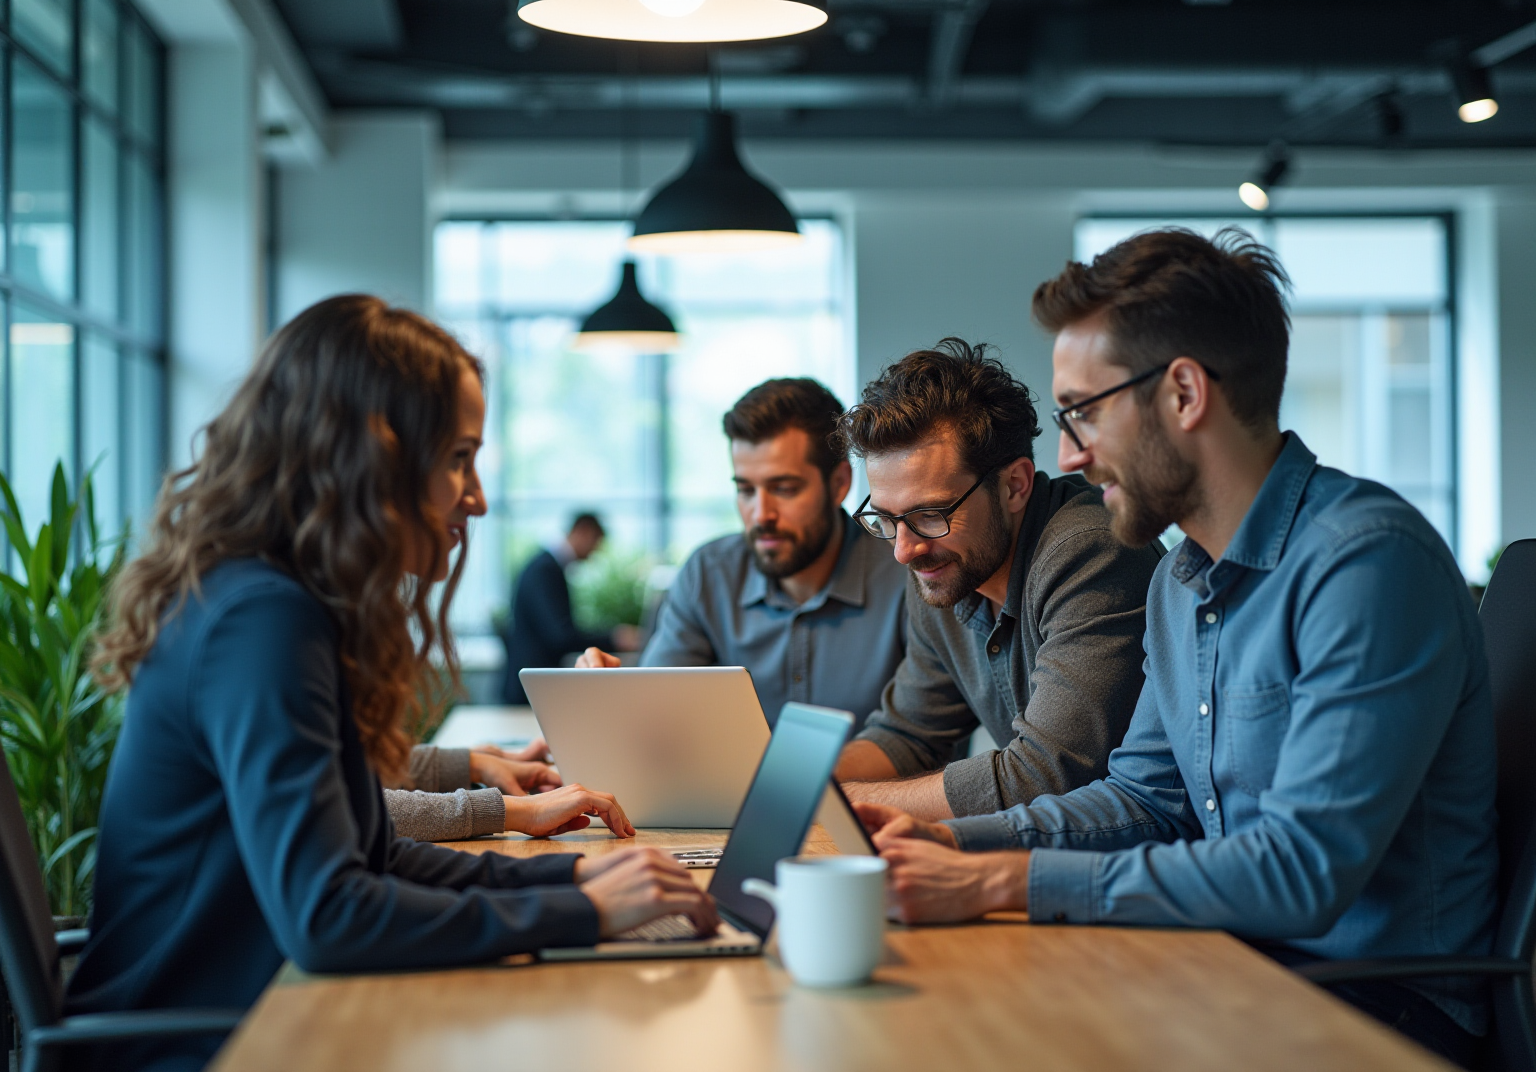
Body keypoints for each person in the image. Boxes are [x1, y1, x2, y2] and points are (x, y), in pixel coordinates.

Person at [855, 229, 1497, 1068]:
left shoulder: (1366, 563)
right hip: (1232, 963)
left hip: (1377, 1005)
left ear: (1185, 394)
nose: (1070, 455)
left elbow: (1300, 873)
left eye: (1085, 412)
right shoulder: (1180, 581)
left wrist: (1004, 878)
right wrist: (960, 844)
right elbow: (1143, 802)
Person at [68, 295, 715, 1072]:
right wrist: (578, 910)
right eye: (458, 458)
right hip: (196, 1046)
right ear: (372, 457)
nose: (477, 497)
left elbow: (374, 858)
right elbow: (328, 917)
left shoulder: (281, 604)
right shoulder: (263, 620)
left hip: (258, 1013)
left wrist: (574, 876)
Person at [833, 341, 1164, 820]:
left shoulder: (1091, 554)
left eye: (931, 513)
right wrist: (795, 784)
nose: (904, 549)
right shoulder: (938, 563)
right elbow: (909, 734)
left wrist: (841, 802)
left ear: (1014, 486)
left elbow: (1045, 775)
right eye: (887, 519)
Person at [578, 378, 907, 729]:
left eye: (784, 488)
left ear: (839, 483)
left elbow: (922, 734)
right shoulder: (708, 575)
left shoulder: (906, 574)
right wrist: (612, 702)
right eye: (746, 490)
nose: (761, 514)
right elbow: (656, 713)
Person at [501, 513, 641, 704]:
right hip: (530, 688)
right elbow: (560, 635)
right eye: (595, 544)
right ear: (583, 532)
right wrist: (614, 638)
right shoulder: (545, 570)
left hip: (533, 684)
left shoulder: (546, 566)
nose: (593, 553)